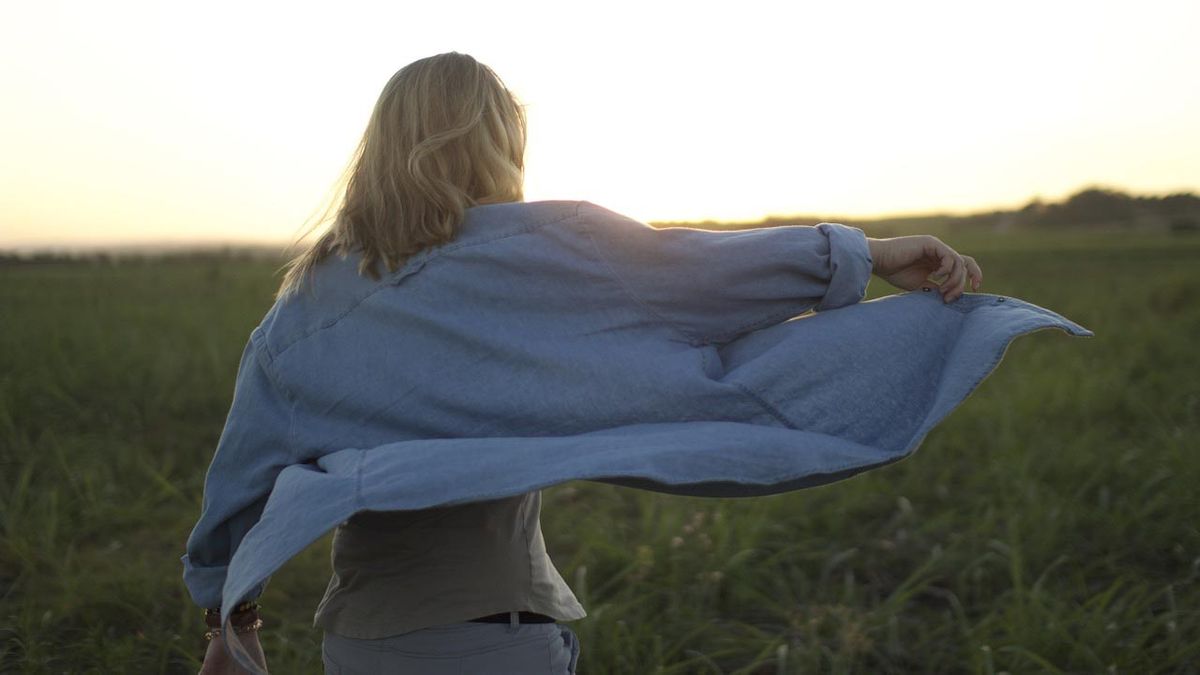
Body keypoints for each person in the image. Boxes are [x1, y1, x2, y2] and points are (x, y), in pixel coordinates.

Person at [183, 52, 1089, 675]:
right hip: (496, 641)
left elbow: (235, 490)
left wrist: (229, 618)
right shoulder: (547, 249)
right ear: (496, 145)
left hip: (360, 643)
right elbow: (700, 271)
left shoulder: (298, 315)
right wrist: (864, 253)